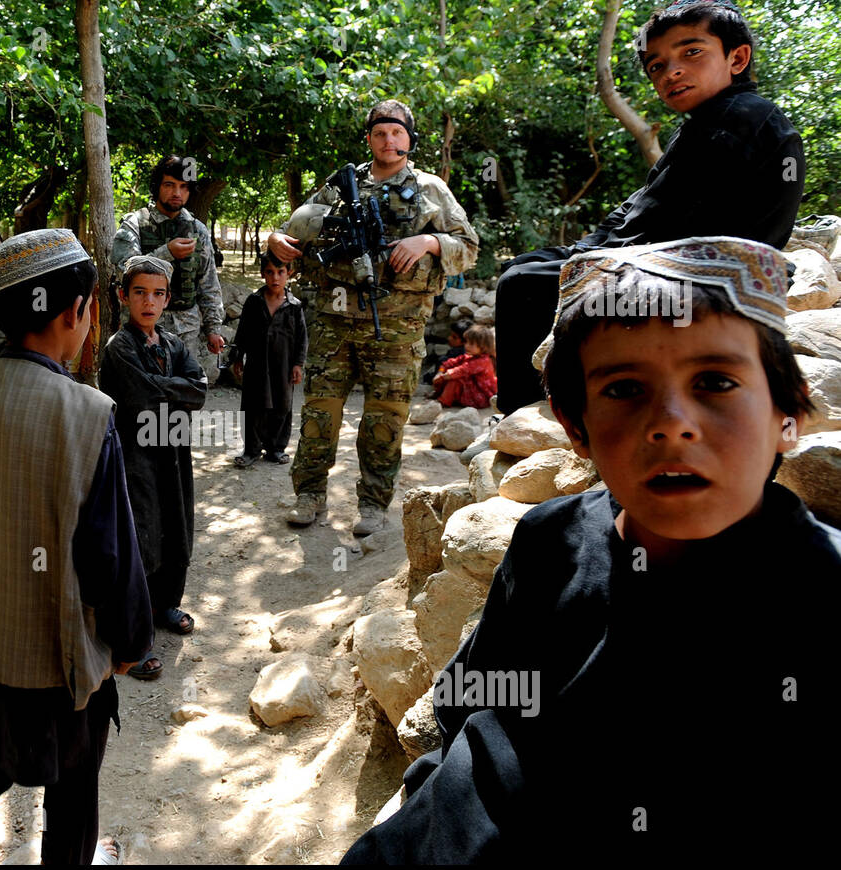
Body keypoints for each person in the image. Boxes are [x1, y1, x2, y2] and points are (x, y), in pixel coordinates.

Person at [342, 236, 837, 864]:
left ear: (786, 413)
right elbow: (473, 700)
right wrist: (421, 802)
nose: (672, 421)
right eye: (625, 389)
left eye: (715, 381)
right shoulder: (549, 537)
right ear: (575, 426)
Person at [0, 228, 152, 866]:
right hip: (56, 656)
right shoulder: (87, 412)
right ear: (74, 312)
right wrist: (130, 643)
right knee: (74, 783)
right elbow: (111, 554)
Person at [493, 0, 805, 414]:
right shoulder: (709, 122)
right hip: (675, 268)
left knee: (522, 286)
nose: (671, 71)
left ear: (737, 57)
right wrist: (582, 252)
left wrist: (589, 260)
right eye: (657, 66)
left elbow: (662, 225)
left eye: (691, 52)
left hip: (699, 288)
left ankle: (528, 411)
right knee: (529, 267)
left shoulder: (738, 119)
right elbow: (637, 209)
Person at [267, 99, 479, 535]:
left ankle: (373, 504)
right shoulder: (339, 186)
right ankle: (309, 495)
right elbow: (298, 227)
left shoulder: (430, 189)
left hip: (398, 328)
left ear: (409, 138)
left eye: (397, 132)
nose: (388, 140)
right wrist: (275, 238)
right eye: (380, 133)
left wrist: (429, 243)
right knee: (320, 414)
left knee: (385, 418)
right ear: (369, 138)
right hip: (334, 322)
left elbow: (469, 249)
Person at [99, 256, 208, 679]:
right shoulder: (119, 347)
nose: (149, 302)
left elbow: (199, 390)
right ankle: (135, 638)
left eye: (158, 293)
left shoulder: (174, 345)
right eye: (140, 292)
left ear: (167, 298)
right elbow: (138, 399)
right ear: (124, 296)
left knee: (176, 525)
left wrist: (168, 390)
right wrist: (174, 392)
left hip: (174, 450)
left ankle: (165, 604)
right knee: (141, 540)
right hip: (135, 454)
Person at [112, 155, 227, 385]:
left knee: (182, 397)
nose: (177, 193)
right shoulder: (135, 224)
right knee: (141, 394)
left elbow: (208, 284)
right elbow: (124, 270)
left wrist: (214, 328)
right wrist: (167, 253)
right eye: (170, 185)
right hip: (141, 330)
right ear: (157, 187)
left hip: (186, 333)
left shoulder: (197, 230)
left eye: (184, 187)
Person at [230, 251, 307, 467]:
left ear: (289, 273)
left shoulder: (294, 306)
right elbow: (242, 332)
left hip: (284, 365)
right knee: (253, 405)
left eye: (280, 272)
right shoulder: (254, 301)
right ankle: (251, 450)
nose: (275, 278)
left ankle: (276, 448)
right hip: (256, 363)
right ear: (263, 274)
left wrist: (298, 365)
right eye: (270, 272)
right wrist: (237, 358)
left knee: (282, 405)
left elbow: (302, 338)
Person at [432, 324, 497, 409]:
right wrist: (440, 371)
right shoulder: (468, 356)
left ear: (483, 346)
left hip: (481, 397)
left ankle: (442, 401)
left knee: (455, 379)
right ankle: (440, 395)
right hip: (471, 391)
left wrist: (442, 377)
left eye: (471, 344)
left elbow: (461, 370)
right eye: (466, 342)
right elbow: (448, 363)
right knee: (450, 374)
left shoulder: (483, 361)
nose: (466, 346)